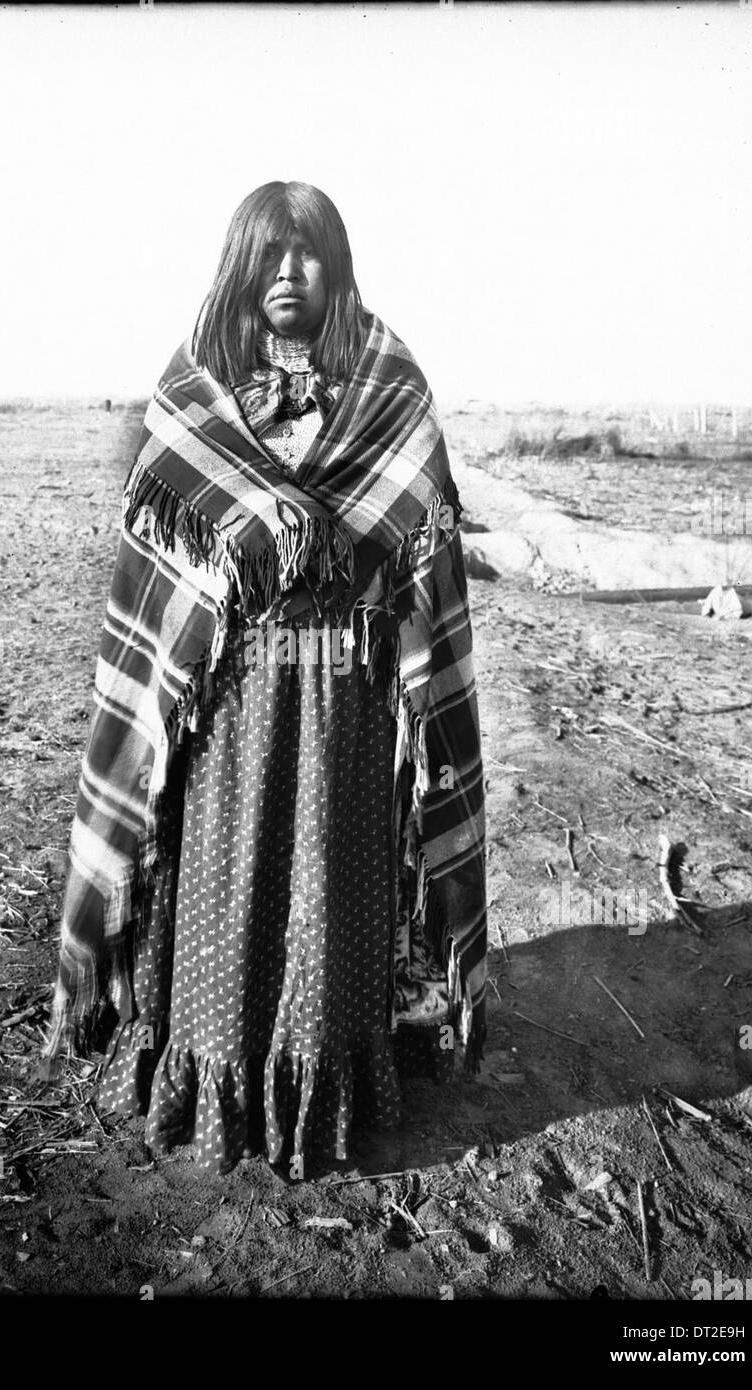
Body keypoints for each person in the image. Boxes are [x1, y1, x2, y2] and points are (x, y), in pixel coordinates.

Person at [43, 180, 487, 1176]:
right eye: (271, 253)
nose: (291, 271)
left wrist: (334, 540)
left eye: (311, 251)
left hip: (349, 699)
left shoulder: (390, 388)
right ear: (242, 265)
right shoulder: (195, 388)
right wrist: (257, 511)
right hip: (230, 701)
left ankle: (323, 1090)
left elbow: (425, 554)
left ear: (338, 266)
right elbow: (156, 570)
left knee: (333, 893)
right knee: (226, 887)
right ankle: (215, 1090)